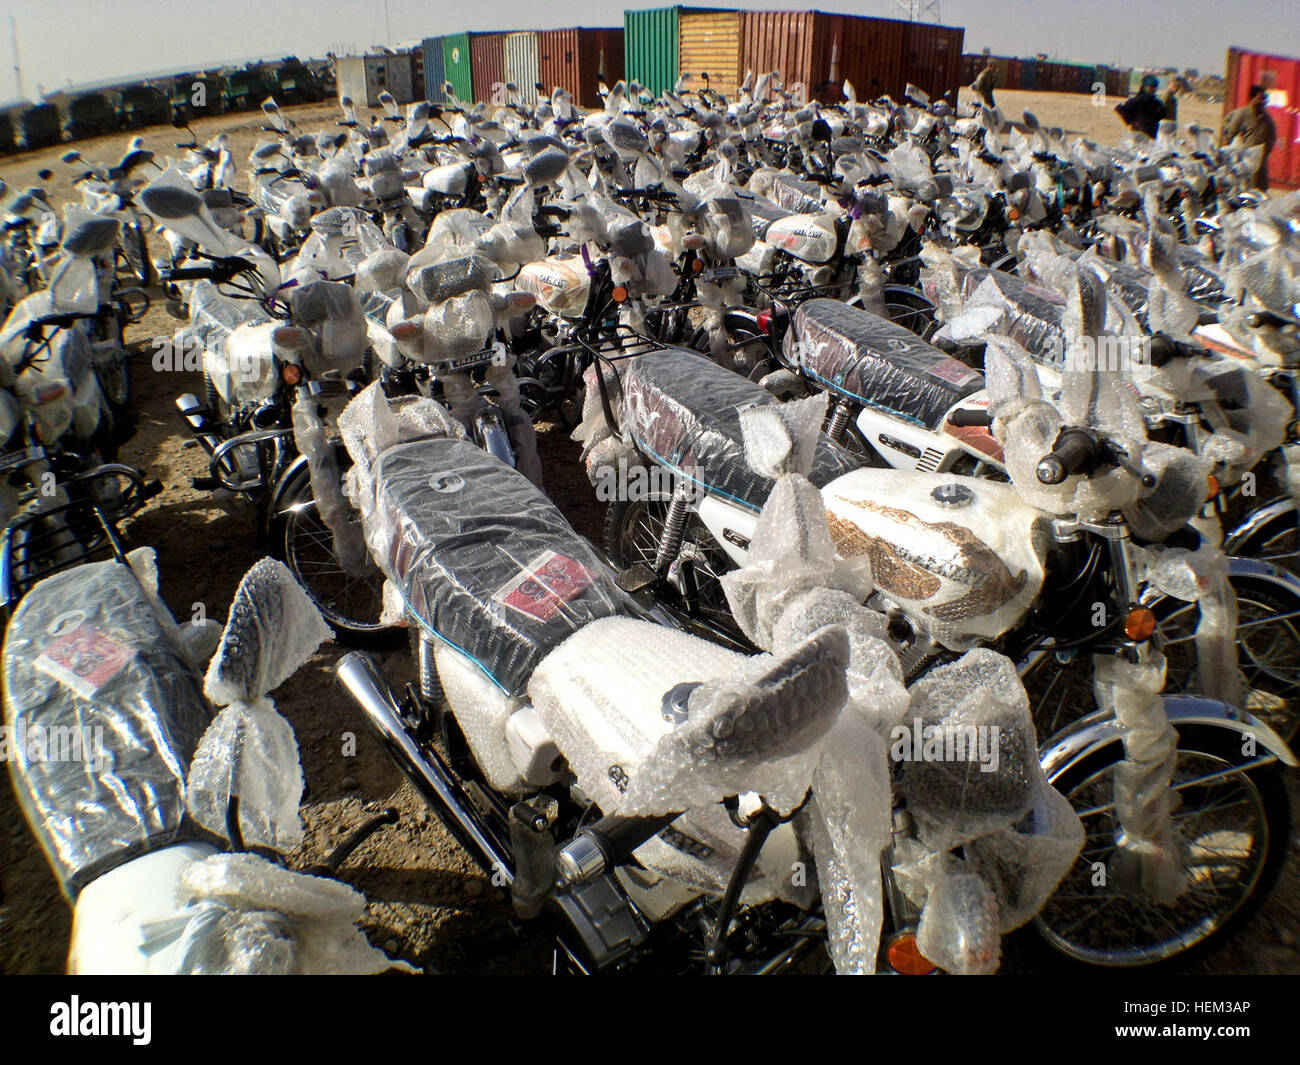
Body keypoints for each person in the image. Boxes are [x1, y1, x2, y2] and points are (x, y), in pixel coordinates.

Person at [1222, 84, 1277, 191]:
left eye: (1264, 98)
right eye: (1260, 98)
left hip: (1259, 162)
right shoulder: (1242, 114)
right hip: (1243, 161)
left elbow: (1272, 137)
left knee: (1259, 192)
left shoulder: (1267, 119)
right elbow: (1230, 133)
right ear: (1252, 98)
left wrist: (1265, 153)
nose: (1262, 101)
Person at [1115, 74, 1167, 138]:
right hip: (1138, 133)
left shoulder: (1156, 102)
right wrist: (1131, 120)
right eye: (1151, 87)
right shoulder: (1138, 100)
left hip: (1151, 133)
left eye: (1155, 88)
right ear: (1144, 87)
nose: (1153, 90)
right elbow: (1121, 109)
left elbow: (1163, 113)